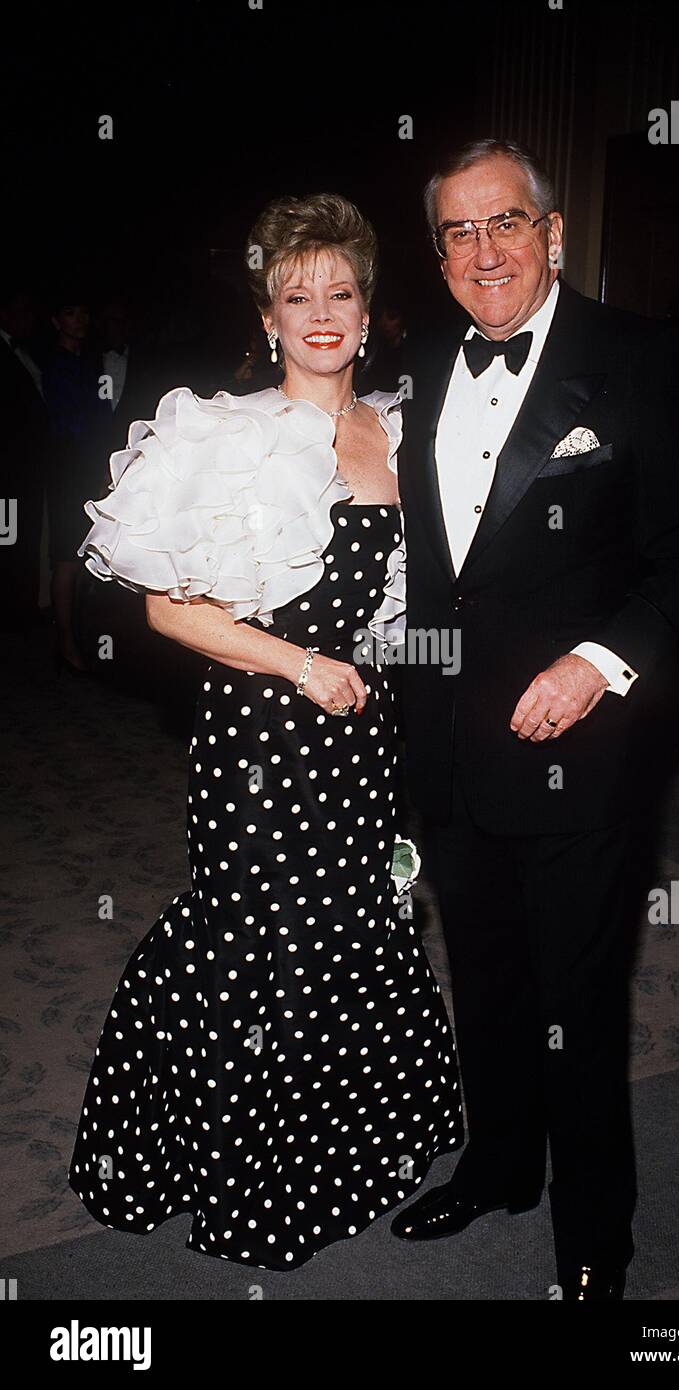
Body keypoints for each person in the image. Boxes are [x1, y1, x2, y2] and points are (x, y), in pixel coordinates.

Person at [68, 193, 463, 1271]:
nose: (321, 313)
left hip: (360, 737)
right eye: (299, 296)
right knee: (253, 937)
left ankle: (350, 1143)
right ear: (267, 315)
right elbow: (163, 606)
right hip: (259, 733)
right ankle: (228, 1166)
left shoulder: (395, 425)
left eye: (340, 291)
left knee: (355, 928)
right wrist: (299, 665)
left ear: (370, 306)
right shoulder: (226, 433)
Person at [391, 139, 679, 1298]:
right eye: (458, 233)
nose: (484, 251)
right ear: (436, 258)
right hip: (443, 745)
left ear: (553, 231)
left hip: (577, 749)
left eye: (505, 224)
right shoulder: (420, 362)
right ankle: (497, 1168)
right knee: (481, 977)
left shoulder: (633, 356)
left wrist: (594, 664)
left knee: (576, 1002)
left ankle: (594, 1235)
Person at [42, 290, 111, 672]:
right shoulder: (55, 363)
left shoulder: (91, 361)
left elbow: (102, 416)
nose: (79, 319)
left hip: (94, 466)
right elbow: (68, 424)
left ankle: (82, 637)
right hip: (69, 468)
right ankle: (65, 641)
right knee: (67, 556)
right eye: (70, 312)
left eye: (83, 311)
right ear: (56, 321)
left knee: (93, 552)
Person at [0, 284, 50, 633]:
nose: (27, 319)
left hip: (29, 469)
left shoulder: (28, 351)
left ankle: (21, 608)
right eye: (20, 312)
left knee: (24, 536)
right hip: (9, 471)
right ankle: (11, 611)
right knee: (8, 536)